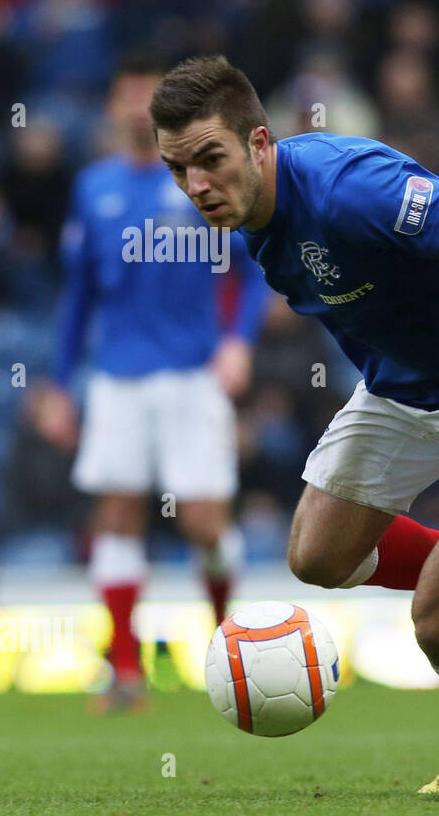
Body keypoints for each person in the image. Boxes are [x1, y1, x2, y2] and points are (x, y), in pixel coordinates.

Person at [150, 55, 439, 793]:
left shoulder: (349, 189)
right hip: (405, 385)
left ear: (260, 142)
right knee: (317, 553)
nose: (196, 185)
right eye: (177, 169)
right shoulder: (251, 218)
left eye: (210, 159)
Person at [34, 54, 269, 708]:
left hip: (193, 375)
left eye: (147, 96)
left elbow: (248, 267)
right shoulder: (94, 187)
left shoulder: (198, 181)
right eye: (127, 94)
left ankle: (226, 650)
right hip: (116, 378)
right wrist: (58, 381)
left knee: (202, 522)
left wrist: (237, 344)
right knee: (116, 516)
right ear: (112, 106)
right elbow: (77, 294)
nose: (135, 107)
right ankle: (125, 670)